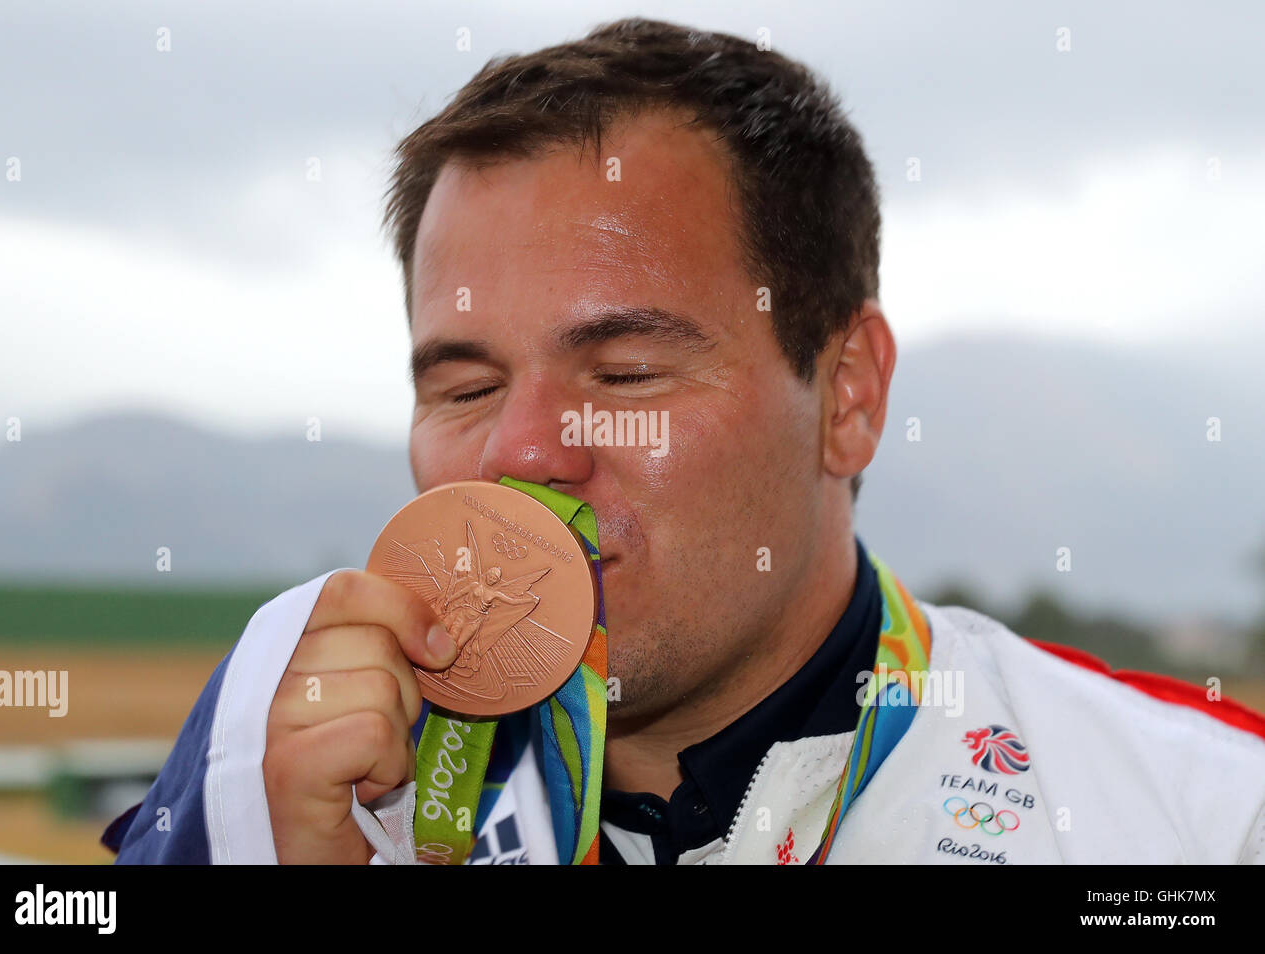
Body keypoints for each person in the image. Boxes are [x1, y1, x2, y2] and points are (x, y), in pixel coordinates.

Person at [102, 17, 1265, 865]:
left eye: (626, 372)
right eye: (464, 387)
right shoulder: (310, 811)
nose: (521, 453)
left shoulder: (1202, 818)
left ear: (847, 396)